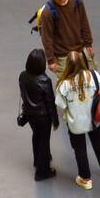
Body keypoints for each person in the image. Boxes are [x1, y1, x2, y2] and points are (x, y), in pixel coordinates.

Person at [55, 50, 100, 189]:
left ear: (67, 66)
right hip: (94, 120)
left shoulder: (64, 85)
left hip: (75, 124)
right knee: (99, 144)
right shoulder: (93, 76)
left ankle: (85, 178)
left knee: (79, 150)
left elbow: (61, 104)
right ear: (83, 62)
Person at [40, 0, 94, 77]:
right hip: (62, 57)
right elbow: (46, 38)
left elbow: (84, 23)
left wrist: (89, 44)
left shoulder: (77, 2)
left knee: (90, 83)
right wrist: (51, 60)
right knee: (67, 88)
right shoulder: (47, 13)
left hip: (81, 51)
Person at [19, 48, 59, 180]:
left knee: (36, 136)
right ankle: (42, 172)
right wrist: (55, 120)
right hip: (43, 117)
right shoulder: (45, 80)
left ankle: (37, 161)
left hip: (30, 115)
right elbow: (50, 102)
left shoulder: (23, 76)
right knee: (44, 142)